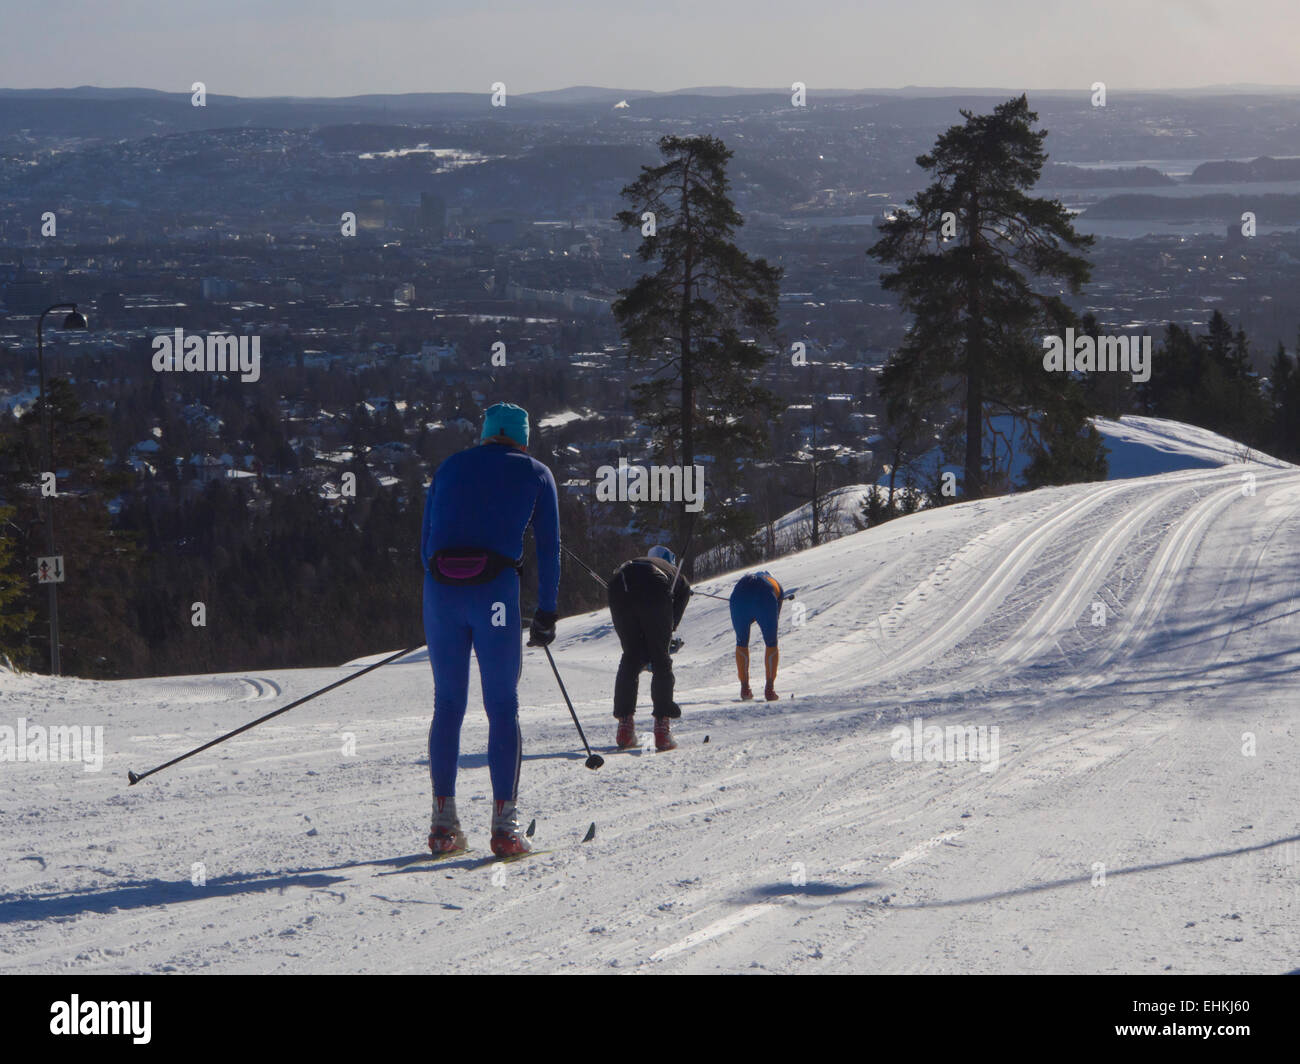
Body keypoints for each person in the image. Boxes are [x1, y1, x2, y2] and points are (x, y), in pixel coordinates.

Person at [420, 402, 560, 857]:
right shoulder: (537, 473)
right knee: (501, 704)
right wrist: (546, 612)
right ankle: (505, 827)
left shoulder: (448, 466)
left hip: (440, 590)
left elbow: (425, 544)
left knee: (448, 702)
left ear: (485, 433)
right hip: (496, 594)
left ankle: (443, 825)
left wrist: (446, 596)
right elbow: (550, 550)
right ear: (522, 436)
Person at [607, 544, 691, 751]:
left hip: (619, 584)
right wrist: (670, 628)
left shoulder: (642, 562)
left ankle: (625, 729)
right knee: (661, 659)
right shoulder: (677, 575)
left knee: (630, 657)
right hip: (654, 585)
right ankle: (662, 731)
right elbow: (684, 594)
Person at [730, 571, 784, 701]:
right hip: (765, 596)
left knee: (741, 642)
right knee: (771, 643)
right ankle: (769, 689)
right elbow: (775, 616)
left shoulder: (745, 580)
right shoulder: (777, 586)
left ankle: (744, 689)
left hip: (739, 595)